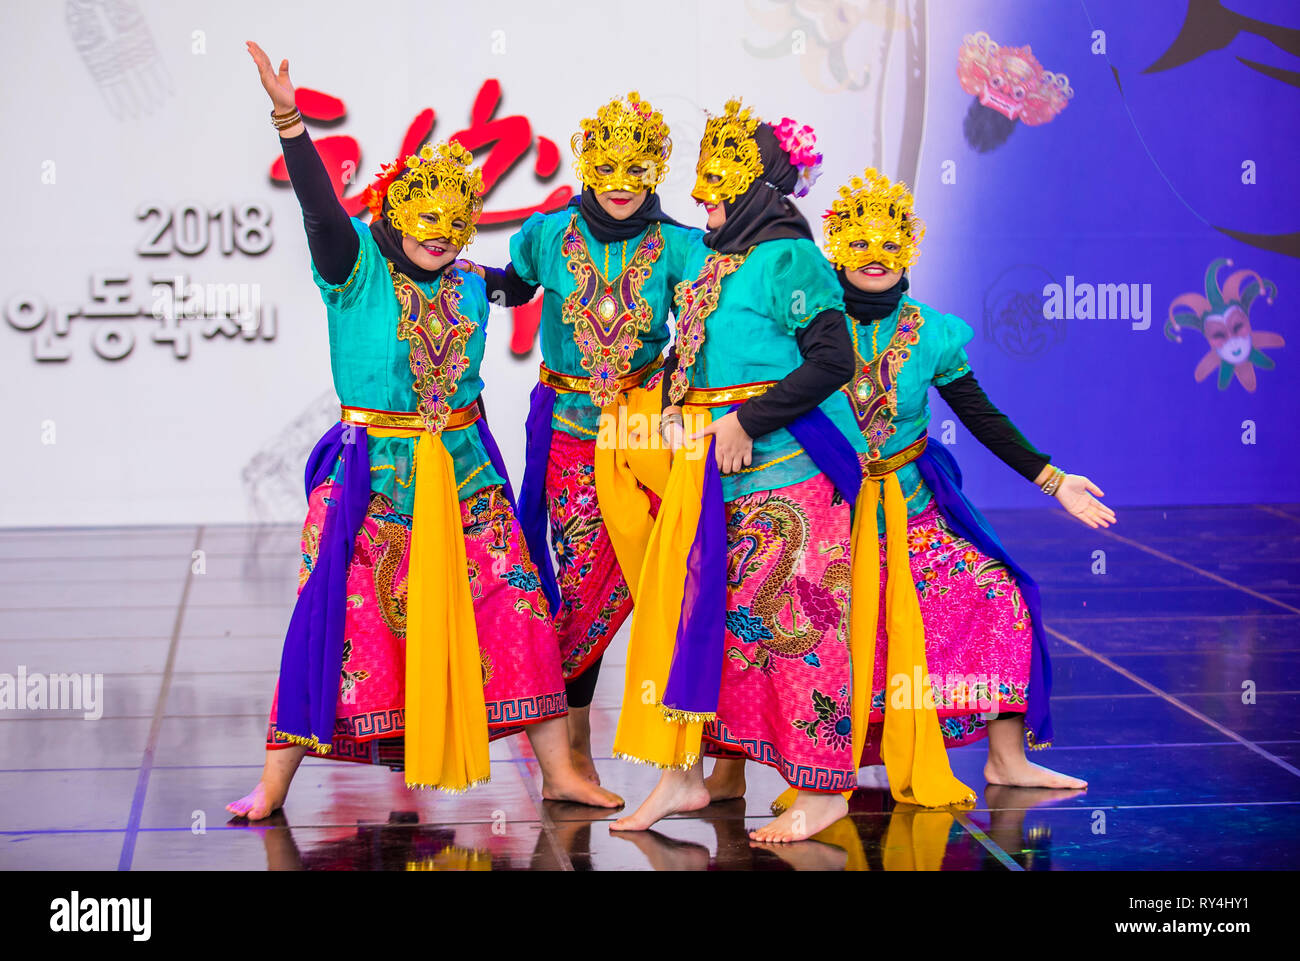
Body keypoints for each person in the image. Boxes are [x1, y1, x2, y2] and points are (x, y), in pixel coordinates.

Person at [228, 42, 621, 820]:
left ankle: (562, 772)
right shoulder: (355, 274)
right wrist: (290, 121)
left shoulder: (475, 283)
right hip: (370, 480)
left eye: (456, 221)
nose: (442, 234)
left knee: (518, 609)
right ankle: (273, 784)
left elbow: (559, 268)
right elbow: (319, 209)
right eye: (427, 218)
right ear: (397, 214)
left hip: (465, 468)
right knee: (332, 620)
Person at [609, 101, 965, 842]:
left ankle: (822, 788)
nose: (701, 192)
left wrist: (745, 420)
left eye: (717, 178)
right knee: (703, 625)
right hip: (716, 472)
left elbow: (832, 358)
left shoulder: (787, 256)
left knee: (799, 625)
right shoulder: (718, 257)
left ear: (754, 183)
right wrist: (677, 394)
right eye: (700, 177)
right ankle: (682, 777)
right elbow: (701, 348)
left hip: (791, 471)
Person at [748, 168, 1111, 816]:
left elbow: (980, 413)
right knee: (808, 618)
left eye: (891, 244)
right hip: (822, 518)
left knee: (995, 591)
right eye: (860, 244)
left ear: (910, 246)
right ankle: (804, 769)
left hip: (910, 515)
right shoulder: (802, 321)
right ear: (835, 246)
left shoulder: (932, 331)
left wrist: (1054, 479)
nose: (876, 258)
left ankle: (1007, 757)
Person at [462, 93, 701, 783]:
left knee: (665, 570)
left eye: (637, 166)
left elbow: (711, 321)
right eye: (608, 165)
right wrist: (444, 275)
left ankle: (702, 759)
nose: (622, 181)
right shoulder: (547, 233)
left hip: (646, 428)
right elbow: (513, 286)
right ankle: (570, 745)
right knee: (585, 577)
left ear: (656, 167)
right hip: (569, 428)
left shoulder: (682, 246)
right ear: (588, 164)